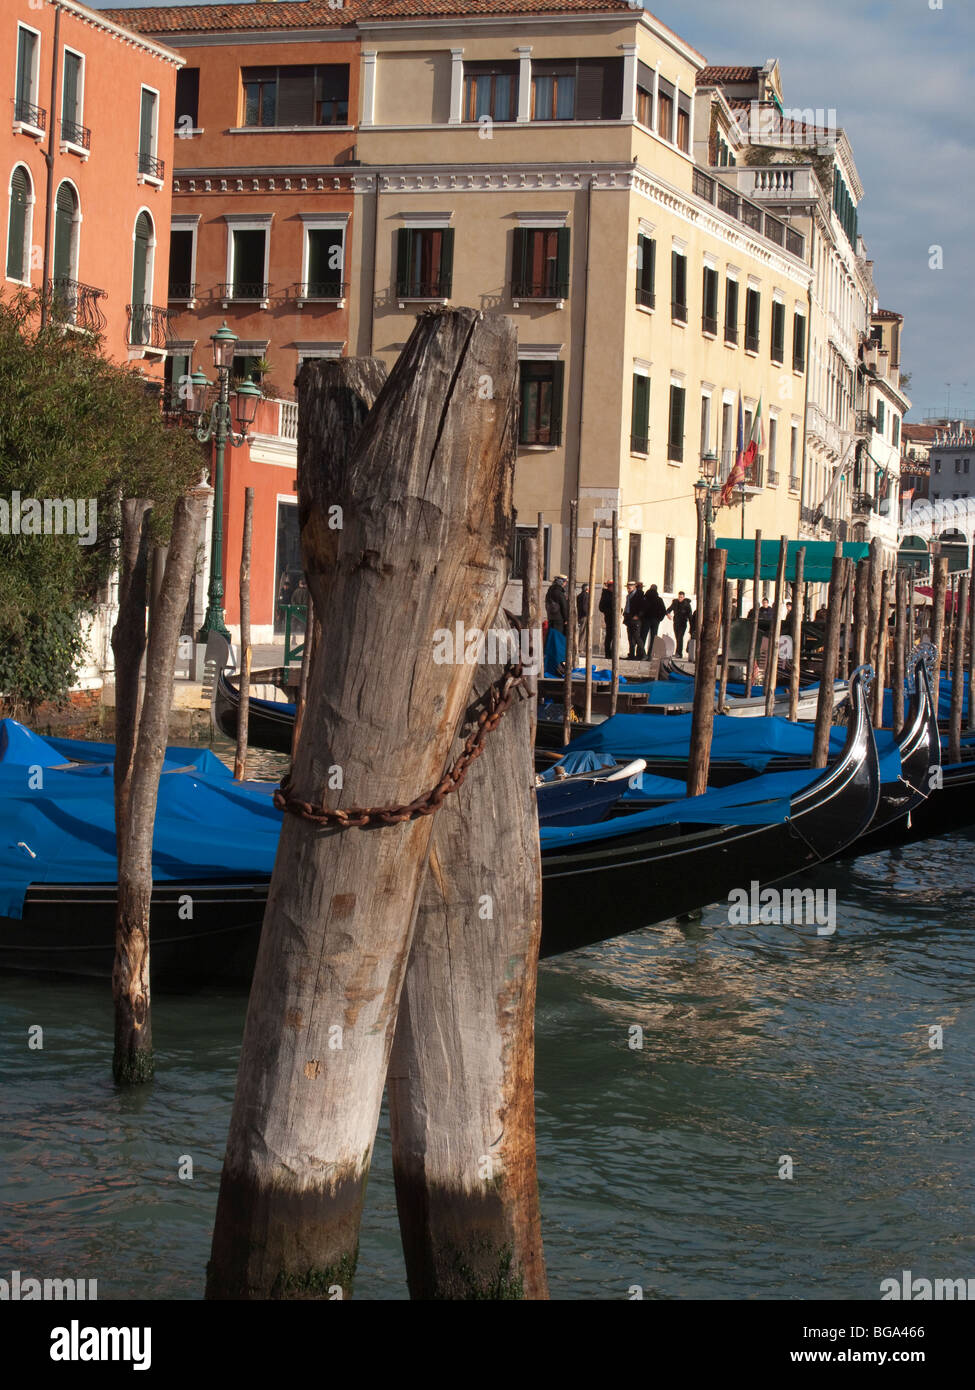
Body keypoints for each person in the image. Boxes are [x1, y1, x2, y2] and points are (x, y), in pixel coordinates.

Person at [640, 583, 666, 661]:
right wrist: (659, 619)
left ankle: (641, 654)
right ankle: (650, 655)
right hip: (655, 620)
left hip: (646, 620)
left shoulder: (645, 598)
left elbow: (642, 608)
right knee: (653, 638)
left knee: (642, 637)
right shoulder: (659, 599)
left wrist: (642, 618)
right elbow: (663, 611)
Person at [666, 590, 693, 657]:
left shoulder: (687, 604)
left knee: (680, 637)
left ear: (683, 597)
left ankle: (679, 653)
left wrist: (691, 626)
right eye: (679, 597)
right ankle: (678, 653)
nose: (680, 599)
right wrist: (668, 614)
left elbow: (690, 615)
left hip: (683, 623)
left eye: (681, 597)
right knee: (677, 637)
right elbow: (668, 609)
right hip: (676, 622)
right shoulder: (675, 603)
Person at [598, 578, 618, 659]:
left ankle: (612, 653)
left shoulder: (612, 594)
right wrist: (611, 611)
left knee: (613, 636)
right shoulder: (606, 595)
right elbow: (601, 607)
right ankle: (608, 653)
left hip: (614, 617)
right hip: (610, 618)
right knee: (610, 636)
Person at [623, 581, 642, 659]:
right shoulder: (628, 596)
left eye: (629, 587)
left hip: (635, 619)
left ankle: (643, 653)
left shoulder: (638, 595)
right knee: (630, 638)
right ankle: (631, 654)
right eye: (627, 587)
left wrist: (638, 615)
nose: (628, 589)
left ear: (634, 587)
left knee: (637, 637)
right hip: (629, 618)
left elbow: (642, 607)